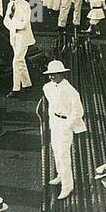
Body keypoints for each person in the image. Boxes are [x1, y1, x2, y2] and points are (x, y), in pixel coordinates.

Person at [42, 59, 85, 200]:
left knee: (63, 155)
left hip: (65, 124)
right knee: (55, 150)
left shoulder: (71, 91)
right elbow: (51, 105)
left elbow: (78, 112)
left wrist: (67, 126)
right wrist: (52, 121)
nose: (51, 76)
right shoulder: (47, 88)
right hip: (55, 122)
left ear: (62, 74)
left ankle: (67, 186)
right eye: (50, 74)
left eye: (54, 74)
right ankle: (61, 175)